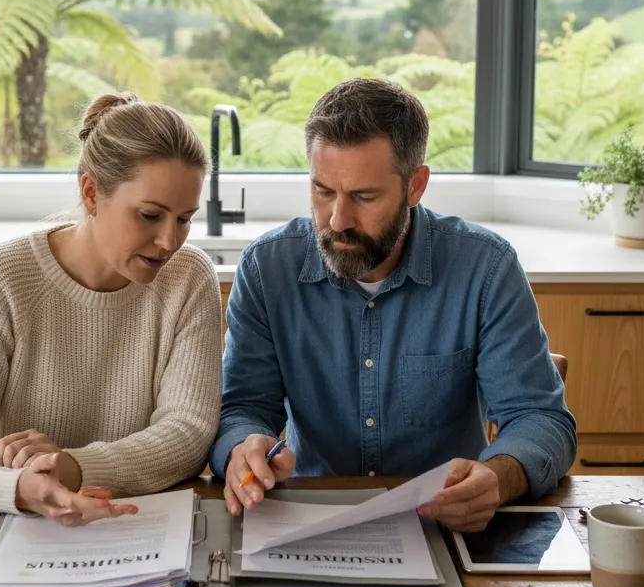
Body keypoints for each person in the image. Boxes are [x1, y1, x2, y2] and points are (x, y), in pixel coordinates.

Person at [210, 78, 577, 532]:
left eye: (364, 197)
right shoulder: (267, 269)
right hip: (310, 523)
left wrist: (499, 478)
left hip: (445, 527)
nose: (338, 219)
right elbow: (241, 407)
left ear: (415, 186)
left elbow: (539, 418)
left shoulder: (486, 268)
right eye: (323, 191)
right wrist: (242, 448)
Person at [0, 92, 223, 524]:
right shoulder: (0, 277)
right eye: (150, 215)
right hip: (23, 528)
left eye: (184, 218)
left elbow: (188, 433)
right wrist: (20, 487)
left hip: (142, 525)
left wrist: (72, 468)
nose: (169, 241)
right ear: (91, 193)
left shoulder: (189, 278)